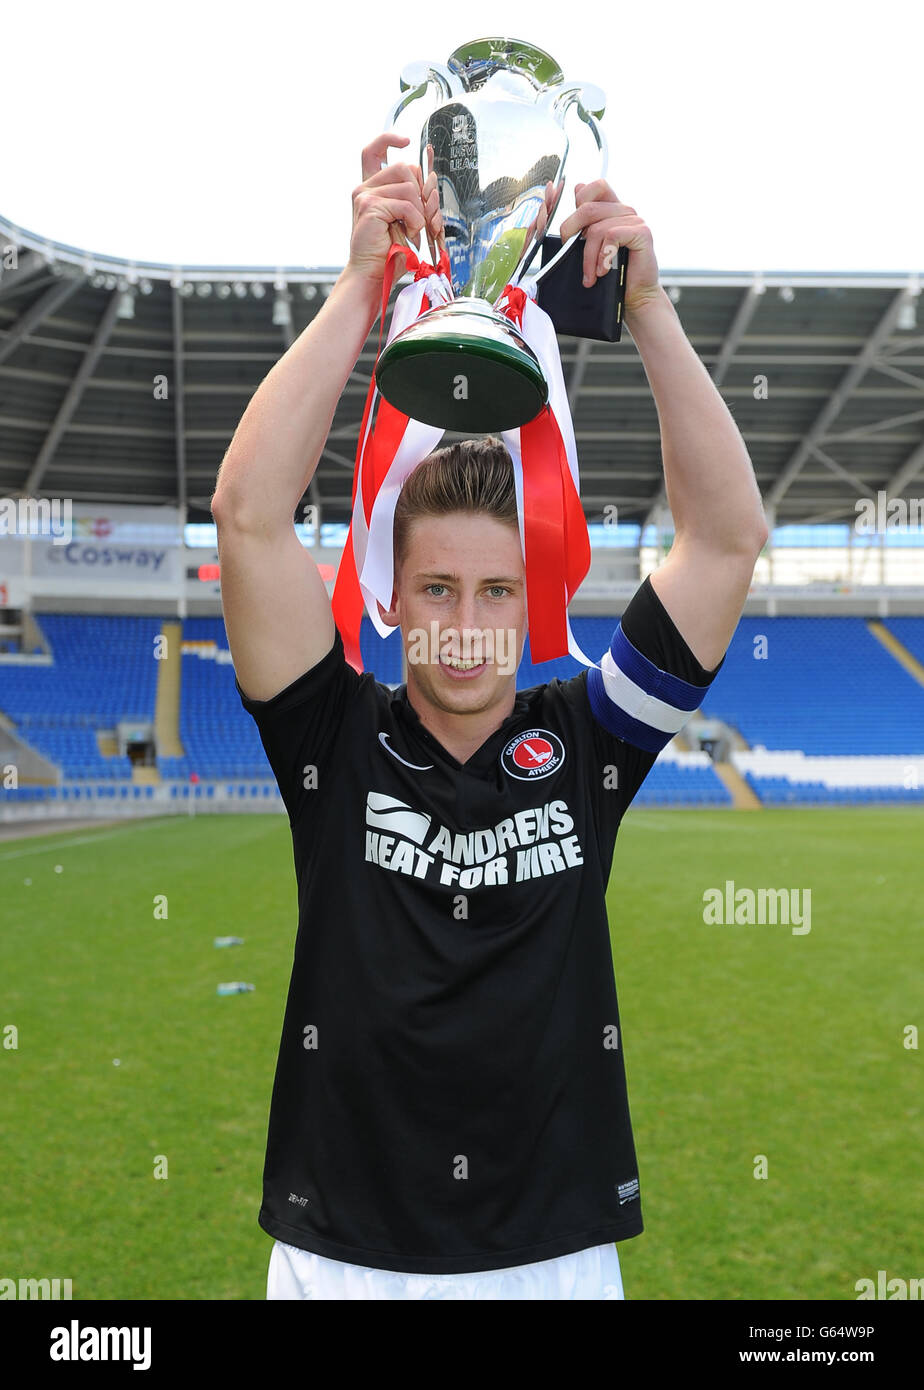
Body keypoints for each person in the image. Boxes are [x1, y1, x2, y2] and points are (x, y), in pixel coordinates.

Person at [211, 132, 768, 1300]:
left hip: (552, 1262)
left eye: (497, 589)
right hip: (340, 1261)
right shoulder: (334, 742)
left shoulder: (588, 745)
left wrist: (653, 313)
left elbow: (724, 542)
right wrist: (359, 288)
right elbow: (250, 517)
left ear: (530, 603)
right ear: (394, 601)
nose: (468, 621)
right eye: (439, 589)